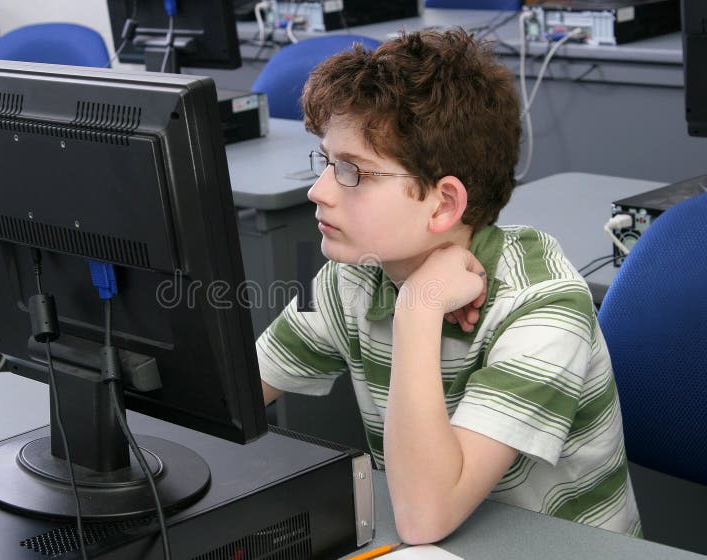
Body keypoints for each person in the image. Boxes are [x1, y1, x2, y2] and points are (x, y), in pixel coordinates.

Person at [255, 28, 641, 544]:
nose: (318, 190)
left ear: (443, 204)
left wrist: (417, 309)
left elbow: (423, 517)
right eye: (326, 161)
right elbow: (237, 394)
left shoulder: (543, 306)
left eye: (352, 172)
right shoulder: (353, 272)